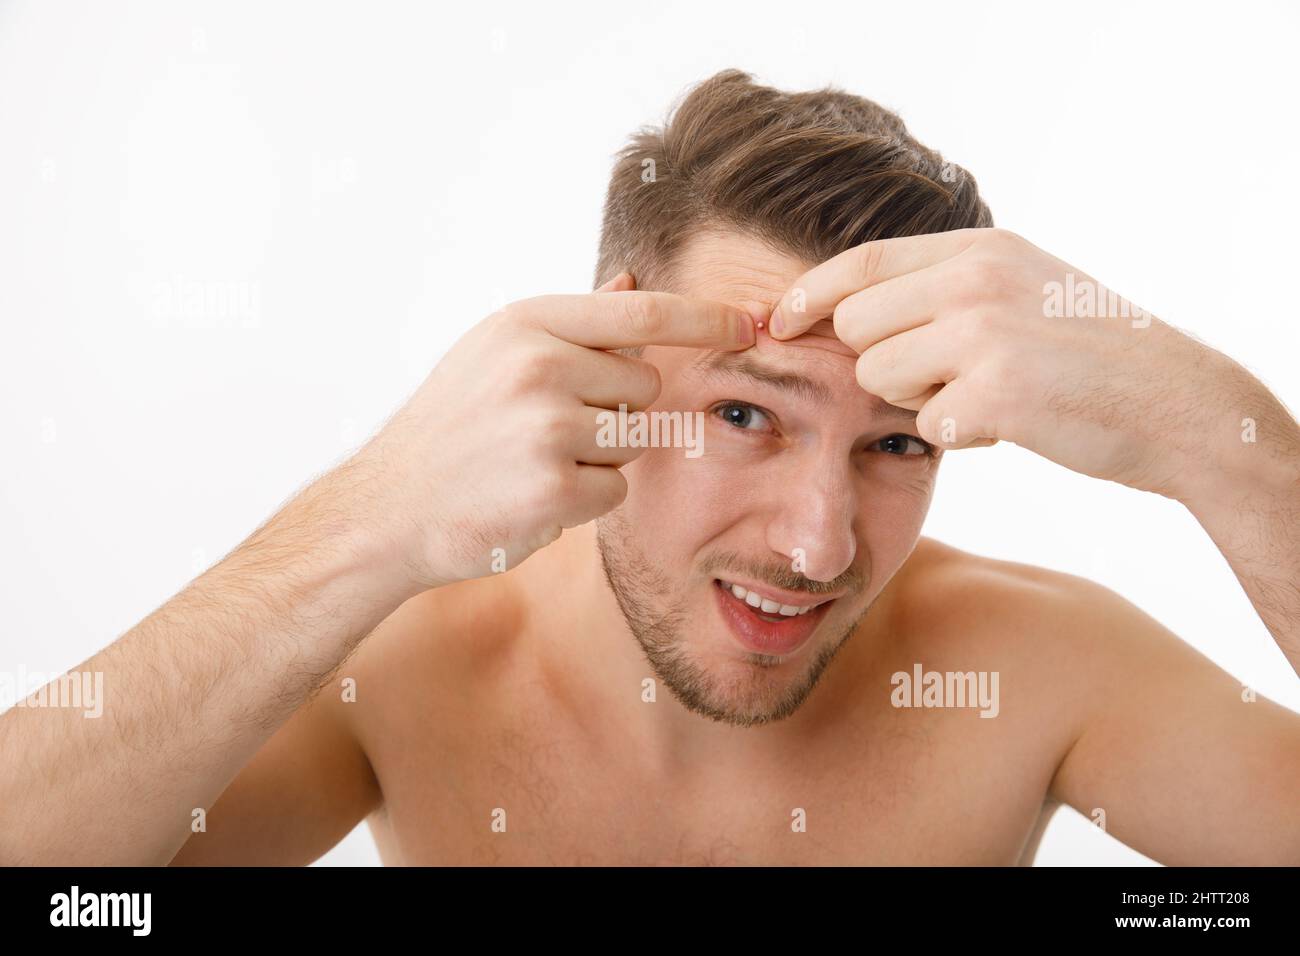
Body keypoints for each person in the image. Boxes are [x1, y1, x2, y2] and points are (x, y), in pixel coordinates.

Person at [2, 70, 1296, 866]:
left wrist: (1225, 439)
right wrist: (373, 515)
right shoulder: (400, 667)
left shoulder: (1038, 668)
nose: (819, 546)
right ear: (603, 356)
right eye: (746, 416)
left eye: (897, 442)